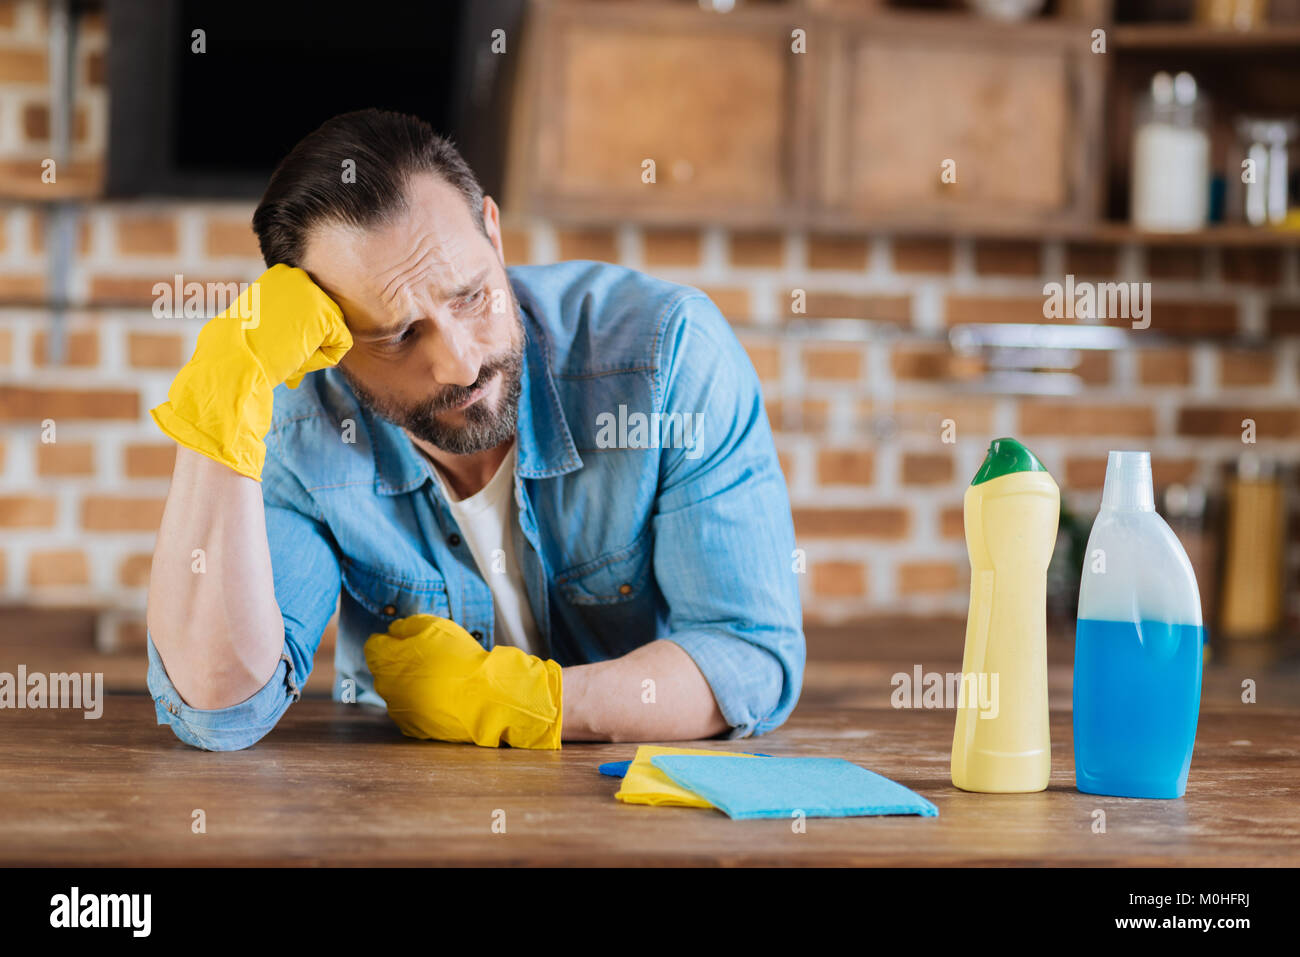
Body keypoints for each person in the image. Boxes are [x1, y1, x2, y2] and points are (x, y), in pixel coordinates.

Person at [145, 109, 804, 751]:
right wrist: (223, 389)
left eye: (470, 296)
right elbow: (220, 708)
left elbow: (749, 656)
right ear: (331, 343)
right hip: (401, 810)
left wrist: (518, 701)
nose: (460, 361)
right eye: (400, 335)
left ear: (493, 231)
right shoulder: (298, 423)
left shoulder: (667, 357)